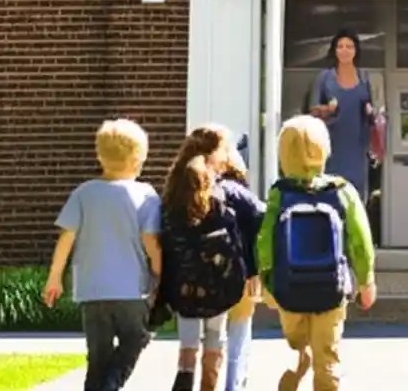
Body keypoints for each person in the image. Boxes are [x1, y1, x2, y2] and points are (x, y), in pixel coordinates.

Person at [258, 115, 376, 391]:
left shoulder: (279, 193)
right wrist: (366, 279)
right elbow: (361, 239)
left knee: (296, 341)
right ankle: (322, 374)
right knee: (328, 358)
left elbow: (265, 239)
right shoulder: (342, 191)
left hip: (289, 288)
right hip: (331, 288)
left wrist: (266, 278)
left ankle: (299, 360)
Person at [43, 119, 162, 391]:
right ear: (138, 159)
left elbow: (66, 238)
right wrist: (160, 274)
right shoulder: (145, 195)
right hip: (131, 289)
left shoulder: (84, 193)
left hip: (91, 290)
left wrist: (54, 277)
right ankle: (111, 384)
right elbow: (150, 241)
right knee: (137, 338)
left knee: (97, 356)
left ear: (100, 156)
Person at [161, 126, 248, 391]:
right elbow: (242, 226)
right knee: (215, 335)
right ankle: (209, 384)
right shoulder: (220, 196)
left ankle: (185, 374)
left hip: (184, 282)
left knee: (188, 336)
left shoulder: (172, 195)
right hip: (216, 281)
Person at [213, 145, 266, 391]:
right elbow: (260, 215)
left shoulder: (199, 191)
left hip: (208, 275)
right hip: (242, 273)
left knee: (214, 336)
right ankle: (234, 385)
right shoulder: (236, 190)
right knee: (239, 334)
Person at [305, 30, 375, 197]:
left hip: (357, 150)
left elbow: (374, 114)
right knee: (331, 196)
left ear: (356, 50)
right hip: (330, 150)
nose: (345, 50)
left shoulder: (364, 78)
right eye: (340, 46)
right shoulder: (324, 78)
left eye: (349, 46)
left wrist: (371, 112)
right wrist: (327, 110)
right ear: (334, 51)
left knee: (356, 198)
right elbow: (311, 112)